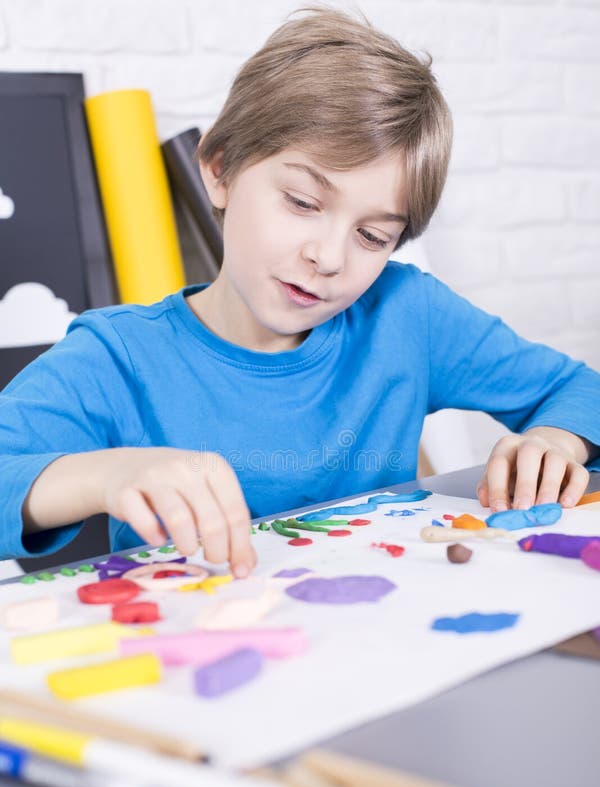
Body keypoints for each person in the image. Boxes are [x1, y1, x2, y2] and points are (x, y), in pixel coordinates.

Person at [1, 7, 599, 577]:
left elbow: (579, 389)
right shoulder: (119, 356)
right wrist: (106, 475)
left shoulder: (407, 315)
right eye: (303, 203)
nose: (329, 257)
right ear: (220, 169)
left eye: (372, 236)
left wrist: (555, 439)